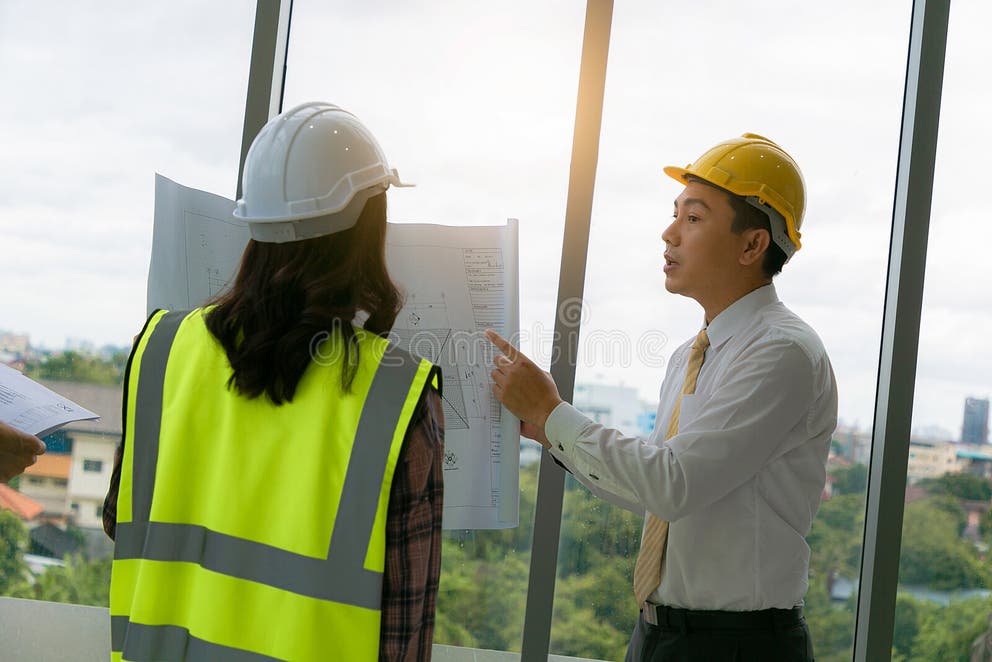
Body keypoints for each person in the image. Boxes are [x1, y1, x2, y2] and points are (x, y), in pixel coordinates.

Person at [104, 102, 444, 661]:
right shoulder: (395, 398)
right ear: (367, 232)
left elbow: (124, 524)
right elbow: (405, 633)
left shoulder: (160, 351)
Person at [487, 134, 837, 661]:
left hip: (737, 646)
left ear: (751, 245)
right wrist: (550, 435)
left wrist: (550, 412)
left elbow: (672, 484)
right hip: (662, 635)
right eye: (675, 214)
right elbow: (656, 493)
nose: (669, 232)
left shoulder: (781, 353)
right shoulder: (692, 355)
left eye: (693, 218)